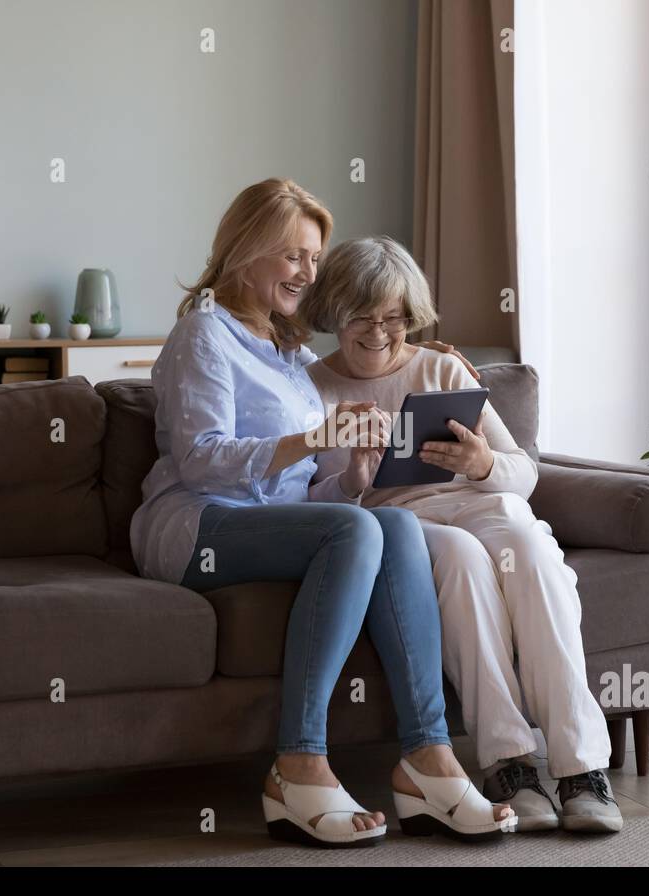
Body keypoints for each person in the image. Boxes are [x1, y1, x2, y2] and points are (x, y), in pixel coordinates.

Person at [130, 181, 514, 847]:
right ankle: (299, 764)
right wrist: (315, 438)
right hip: (198, 525)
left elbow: (320, 500)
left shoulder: (294, 355)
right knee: (360, 526)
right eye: (291, 256)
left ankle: (429, 759)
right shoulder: (204, 335)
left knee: (389, 522)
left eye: (313, 258)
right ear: (245, 252)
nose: (307, 274)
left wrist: (354, 472)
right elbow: (200, 459)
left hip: (272, 527)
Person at [298, 235, 622, 833]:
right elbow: (301, 504)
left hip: (479, 499)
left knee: (531, 551)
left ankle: (582, 769)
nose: (377, 333)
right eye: (361, 318)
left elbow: (523, 473)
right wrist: (353, 478)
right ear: (333, 314)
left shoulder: (442, 368)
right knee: (464, 561)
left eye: (393, 319)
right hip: (397, 523)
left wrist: (481, 464)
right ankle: (509, 763)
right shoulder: (309, 387)